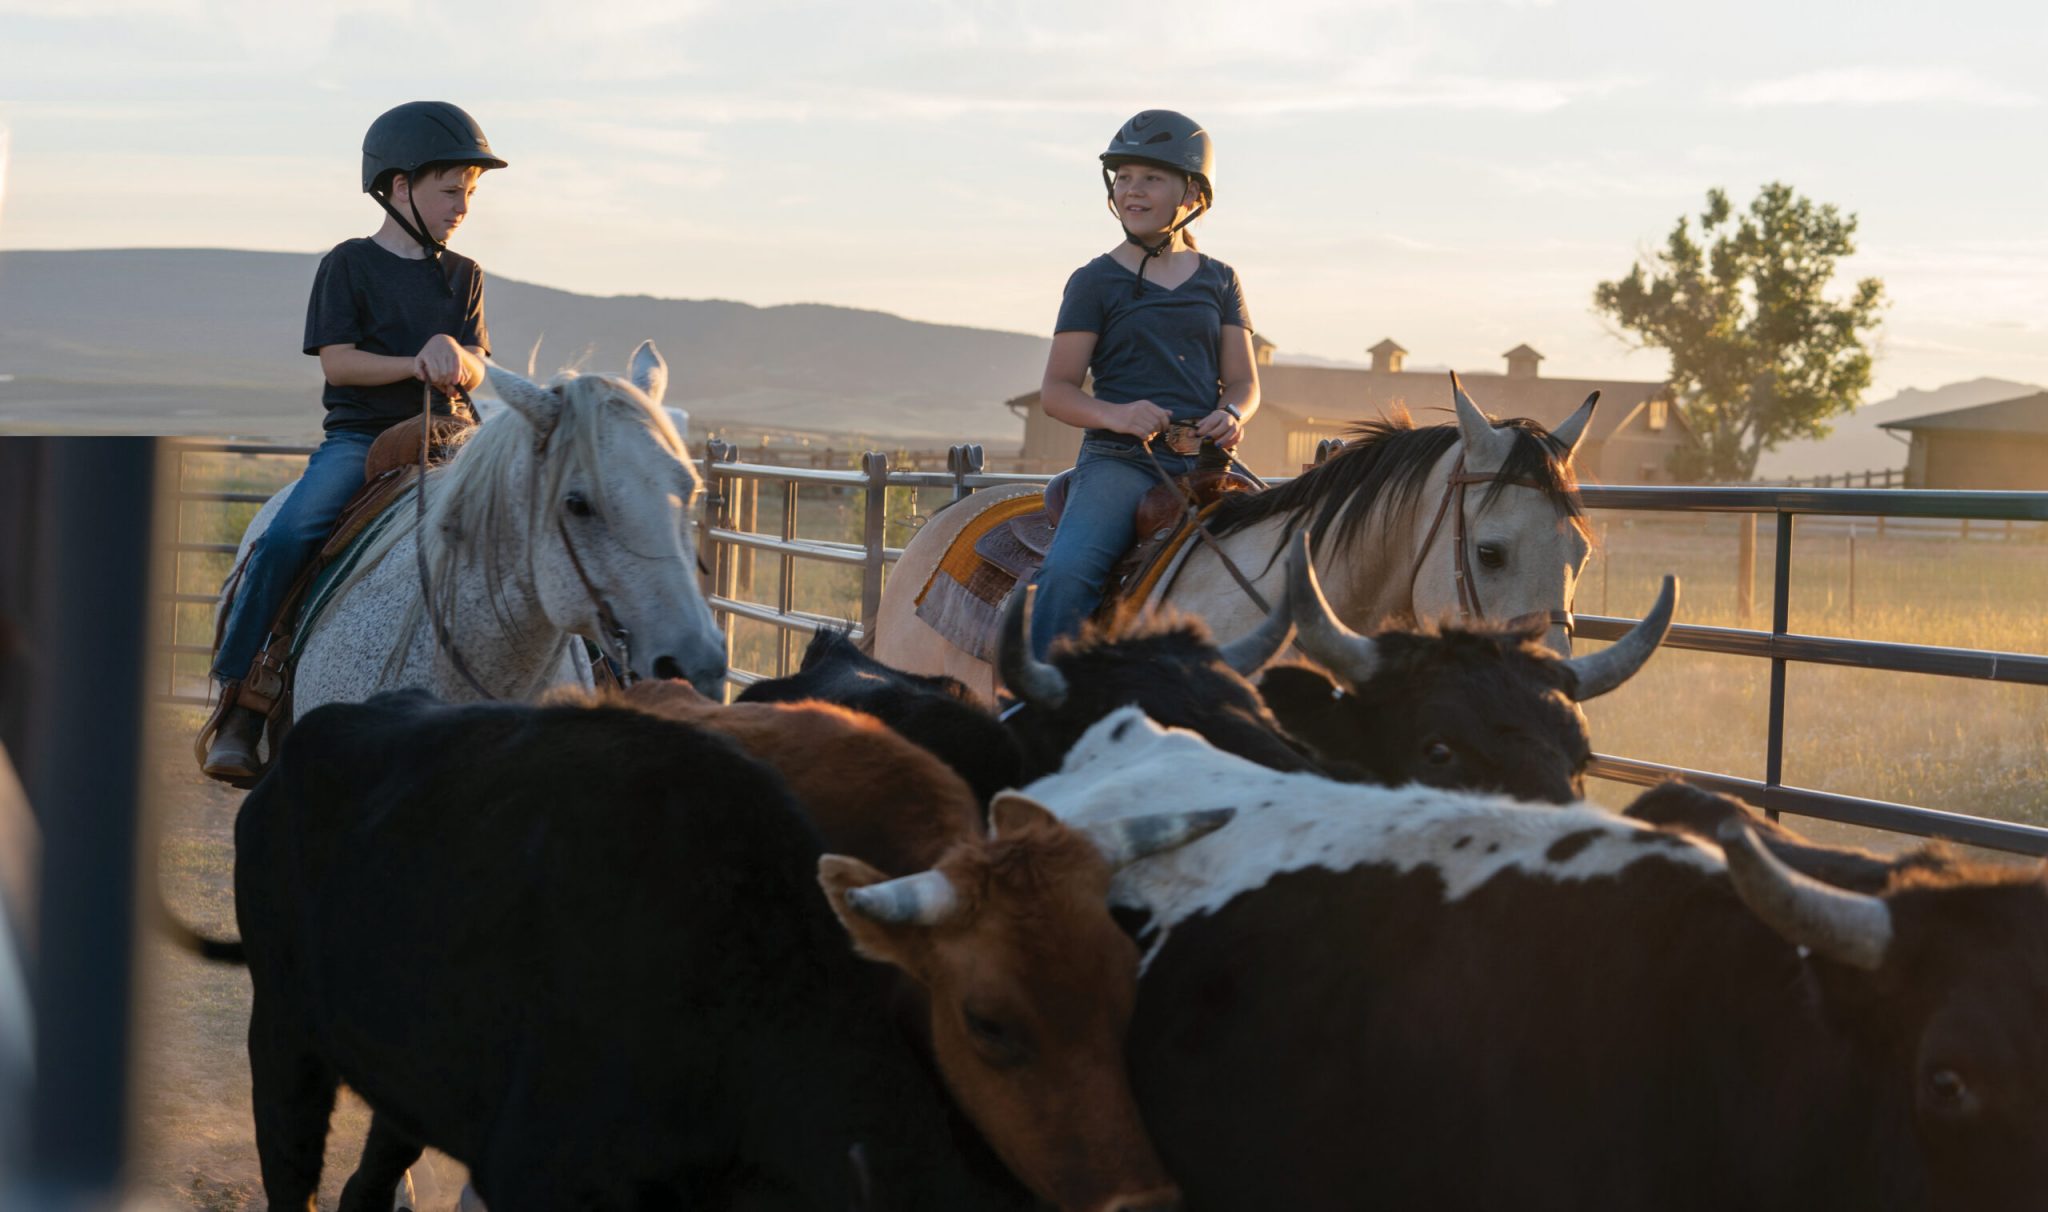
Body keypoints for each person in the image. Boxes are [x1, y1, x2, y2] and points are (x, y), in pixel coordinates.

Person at [201, 100, 506, 779]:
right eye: (449, 190)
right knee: (290, 532)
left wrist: (458, 356)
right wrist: (414, 361)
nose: (462, 206)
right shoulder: (349, 264)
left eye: (470, 193)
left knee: (537, 516)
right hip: (364, 438)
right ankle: (242, 702)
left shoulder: (465, 276)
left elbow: (478, 363)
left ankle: (602, 680)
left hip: (448, 434)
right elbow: (338, 361)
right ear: (399, 187)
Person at [1027, 108, 1260, 659]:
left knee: (1292, 555)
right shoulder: (1093, 281)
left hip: (1207, 463)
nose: (1133, 191)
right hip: (1120, 462)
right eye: (1124, 178)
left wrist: (1232, 415)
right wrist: (1118, 414)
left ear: (1191, 195)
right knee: (1067, 573)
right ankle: (1033, 703)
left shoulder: (1220, 279)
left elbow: (1244, 382)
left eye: (1151, 178)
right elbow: (1057, 391)